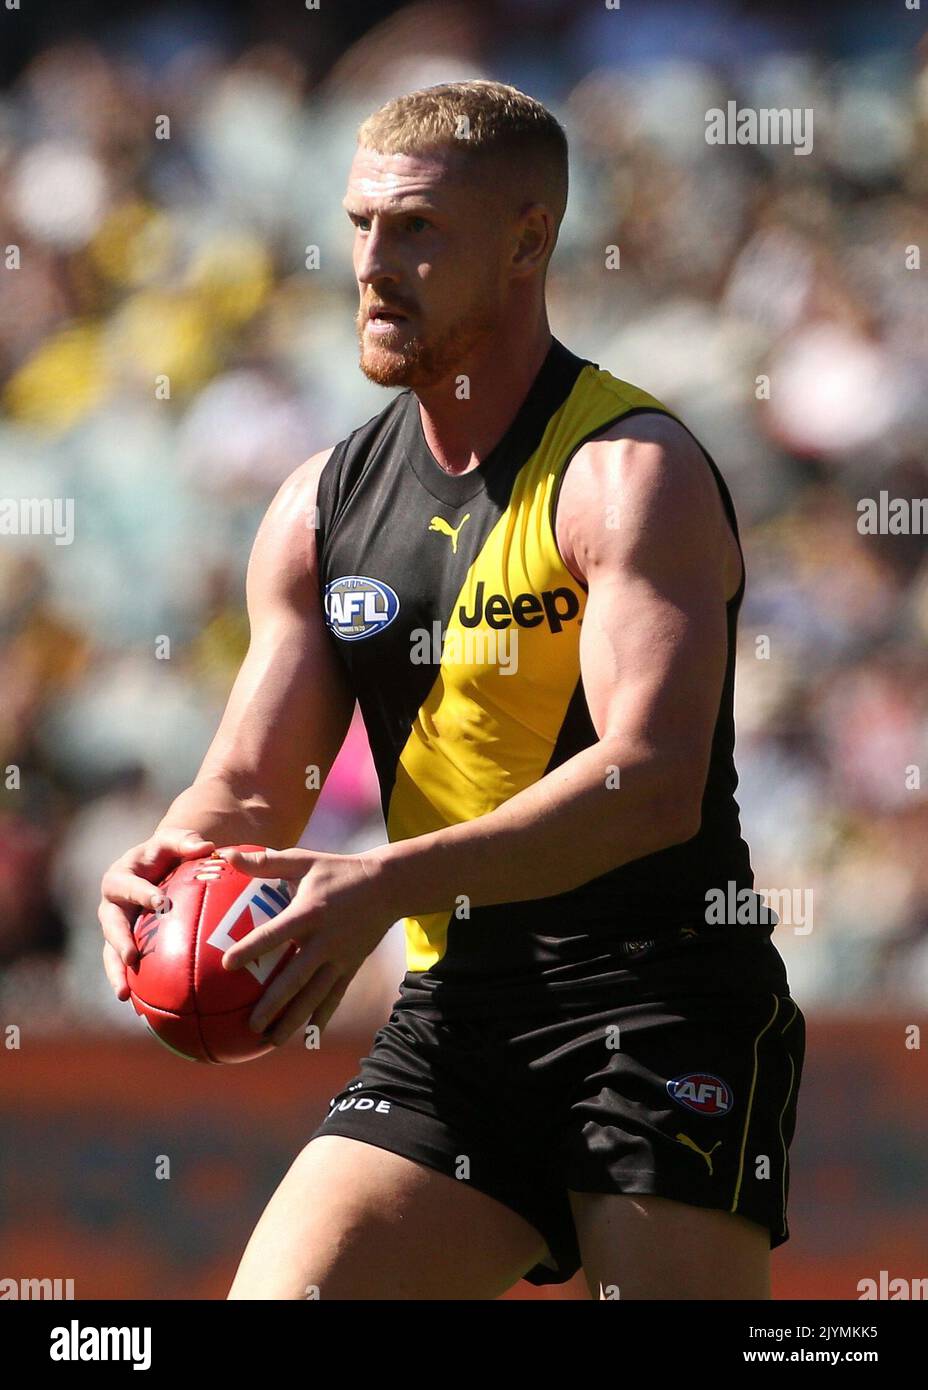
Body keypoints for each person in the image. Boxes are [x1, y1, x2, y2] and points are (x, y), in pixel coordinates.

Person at [98, 80, 804, 1300]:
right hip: (459, 1007)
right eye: (362, 223)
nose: (373, 261)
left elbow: (650, 784)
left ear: (529, 239)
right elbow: (253, 782)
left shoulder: (630, 472)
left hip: (661, 997)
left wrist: (382, 882)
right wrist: (170, 859)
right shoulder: (316, 509)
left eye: (416, 227)